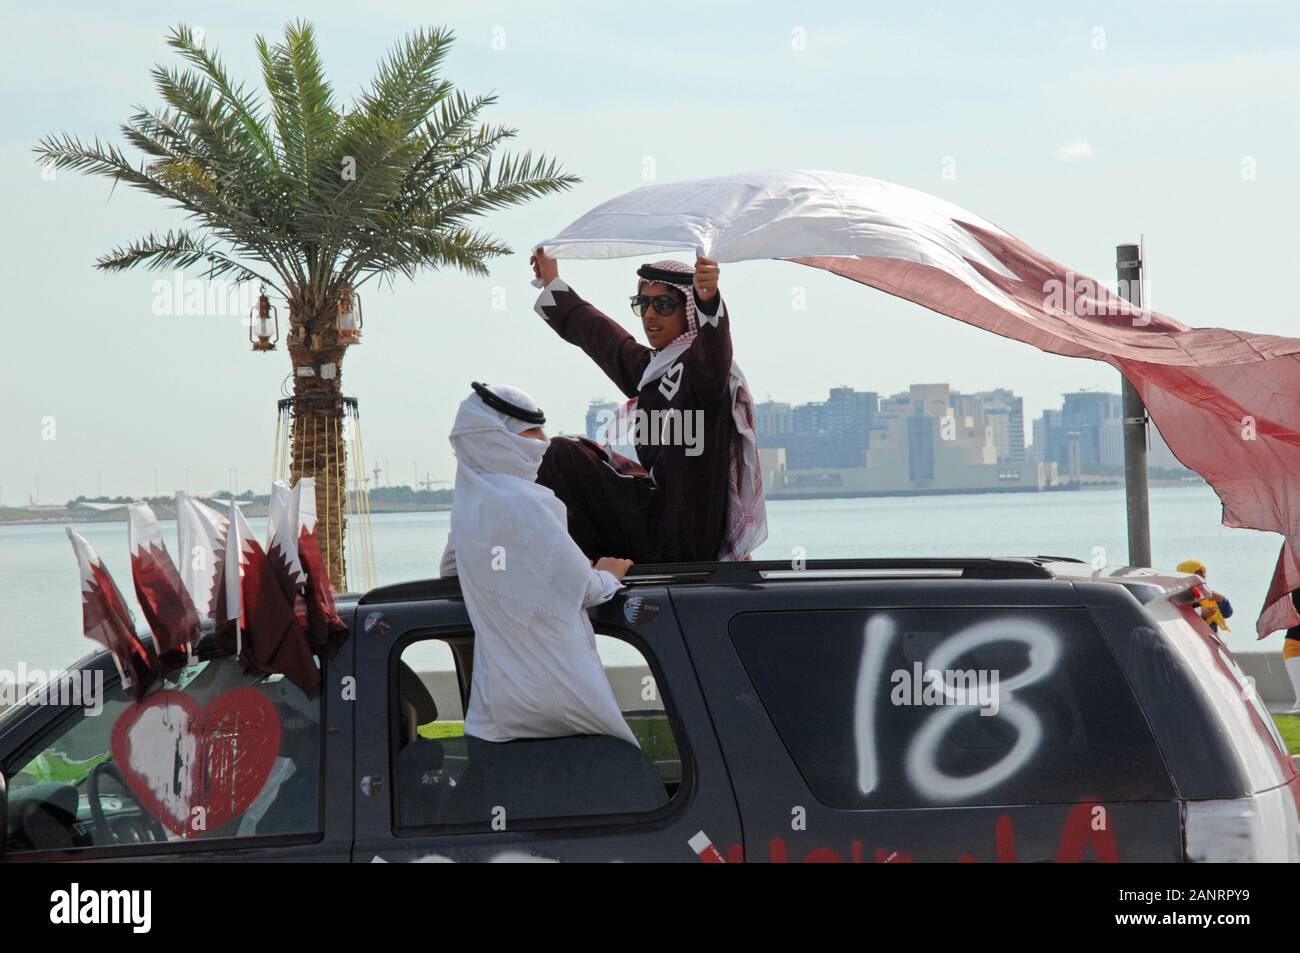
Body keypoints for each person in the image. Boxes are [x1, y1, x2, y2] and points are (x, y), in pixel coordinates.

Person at [529, 249, 766, 563]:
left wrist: (709, 301)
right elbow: (601, 336)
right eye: (643, 304)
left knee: (561, 455)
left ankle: (576, 574)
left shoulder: (703, 372)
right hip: (656, 520)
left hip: (681, 534)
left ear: (689, 311)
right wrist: (553, 283)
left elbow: (714, 349)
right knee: (572, 453)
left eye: (664, 305)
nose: (651, 315)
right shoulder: (654, 370)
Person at [438, 382, 638, 746]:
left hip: (495, 715)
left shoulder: (467, 509)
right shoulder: (530, 503)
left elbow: (451, 572)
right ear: (500, 438)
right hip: (569, 703)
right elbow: (587, 590)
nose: (543, 440)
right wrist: (609, 574)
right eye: (531, 431)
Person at [1176, 558, 1233, 633]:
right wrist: (1201, 614)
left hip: (1208, 640)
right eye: (1198, 576)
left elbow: (1227, 614)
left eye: (1203, 575)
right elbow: (1178, 620)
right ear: (1186, 576)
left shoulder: (1207, 595)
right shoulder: (1178, 597)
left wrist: (1222, 600)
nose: (1203, 578)